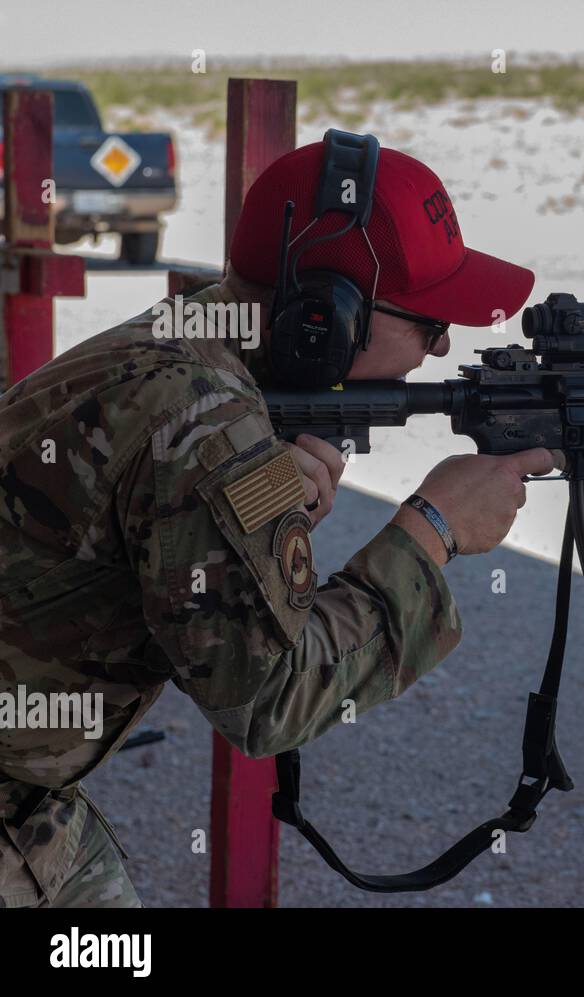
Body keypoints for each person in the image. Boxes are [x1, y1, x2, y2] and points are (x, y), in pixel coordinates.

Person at [0, 136, 554, 907]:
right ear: (325, 317)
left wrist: (266, 516)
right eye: (428, 322)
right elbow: (267, 698)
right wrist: (434, 528)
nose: (443, 345)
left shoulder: (193, 337)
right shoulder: (205, 420)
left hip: (32, 798)